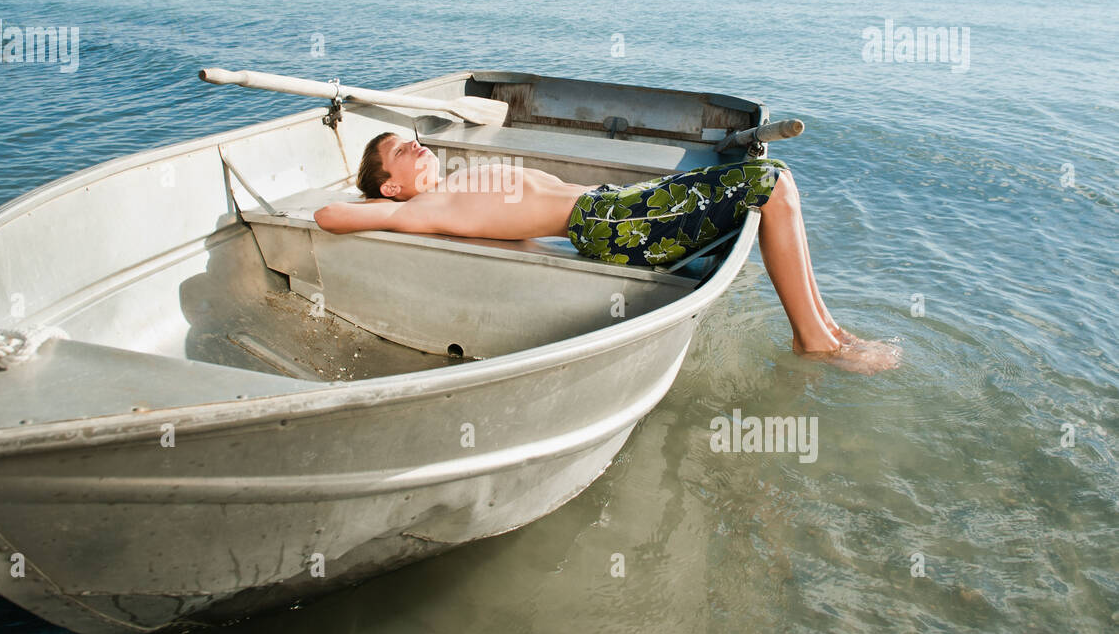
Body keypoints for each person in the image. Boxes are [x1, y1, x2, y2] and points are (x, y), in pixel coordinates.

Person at [314, 131, 902, 374]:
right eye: (404, 153)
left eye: (418, 142)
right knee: (768, 181)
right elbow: (328, 216)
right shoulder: (420, 209)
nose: (419, 149)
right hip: (608, 224)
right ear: (391, 185)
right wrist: (379, 206)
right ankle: (814, 342)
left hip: (613, 207)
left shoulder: (445, 191)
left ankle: (827, 328)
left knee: (775, 177)